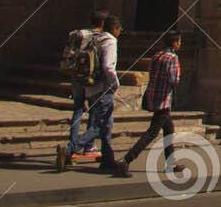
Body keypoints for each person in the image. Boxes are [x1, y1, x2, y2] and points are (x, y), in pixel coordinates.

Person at [57, 15, 120, 172]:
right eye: (120, 29)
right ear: (115, 29)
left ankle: (108, 159)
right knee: (101, 125)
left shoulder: (94, 38)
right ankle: (70, 148)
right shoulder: (110, 41)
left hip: (91, 86)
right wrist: (115, 83)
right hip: (104, 88)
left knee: (106, 125)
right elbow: (108, 66)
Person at [114, 32, 181, 177]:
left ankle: (171, 163)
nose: (180, 44)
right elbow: (174, 79)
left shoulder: (156, 56)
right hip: (164, 99)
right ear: (175, 42)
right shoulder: (172, 58)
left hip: (153, 96)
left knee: (169, 129)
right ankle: (126, 159)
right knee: (152, 132)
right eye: (179, 41)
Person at [62, 11, 106, 160]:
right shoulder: (100, 38)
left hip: (76, 76)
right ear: (102, 23)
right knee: (94, 111)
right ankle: (88, 146)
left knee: (78, 109)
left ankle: (72, 143)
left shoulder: (77, 34)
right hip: (91, 79)